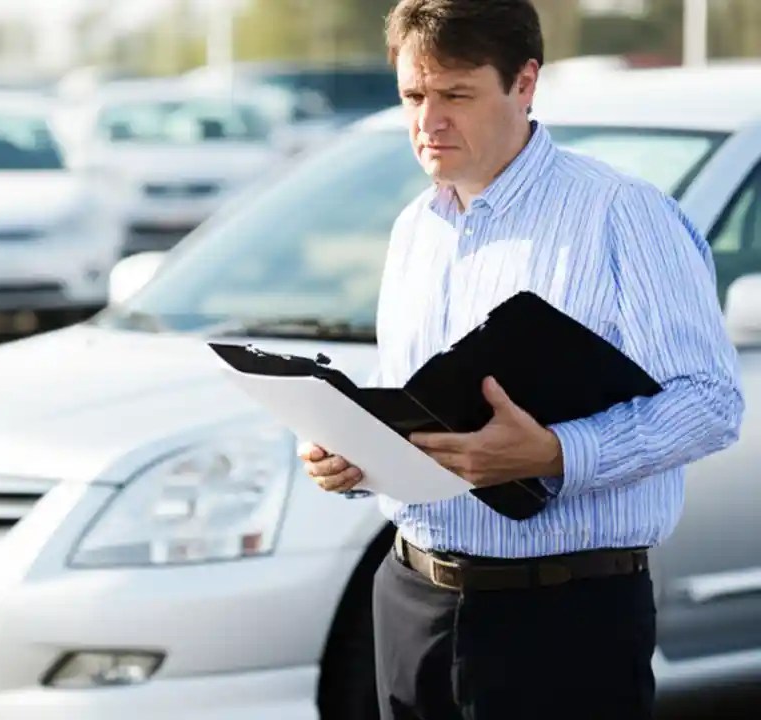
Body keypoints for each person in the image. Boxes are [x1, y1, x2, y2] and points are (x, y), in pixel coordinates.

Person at [300, 1, 744, 718]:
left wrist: (556, 453)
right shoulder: (416, 227)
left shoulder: (622, 214)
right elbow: (416, 395)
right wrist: (354, 452)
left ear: (525, 82)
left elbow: (711, 403)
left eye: (456, 95)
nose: (428, 121)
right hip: (410, 599)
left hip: (563, 618)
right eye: (415, 95)